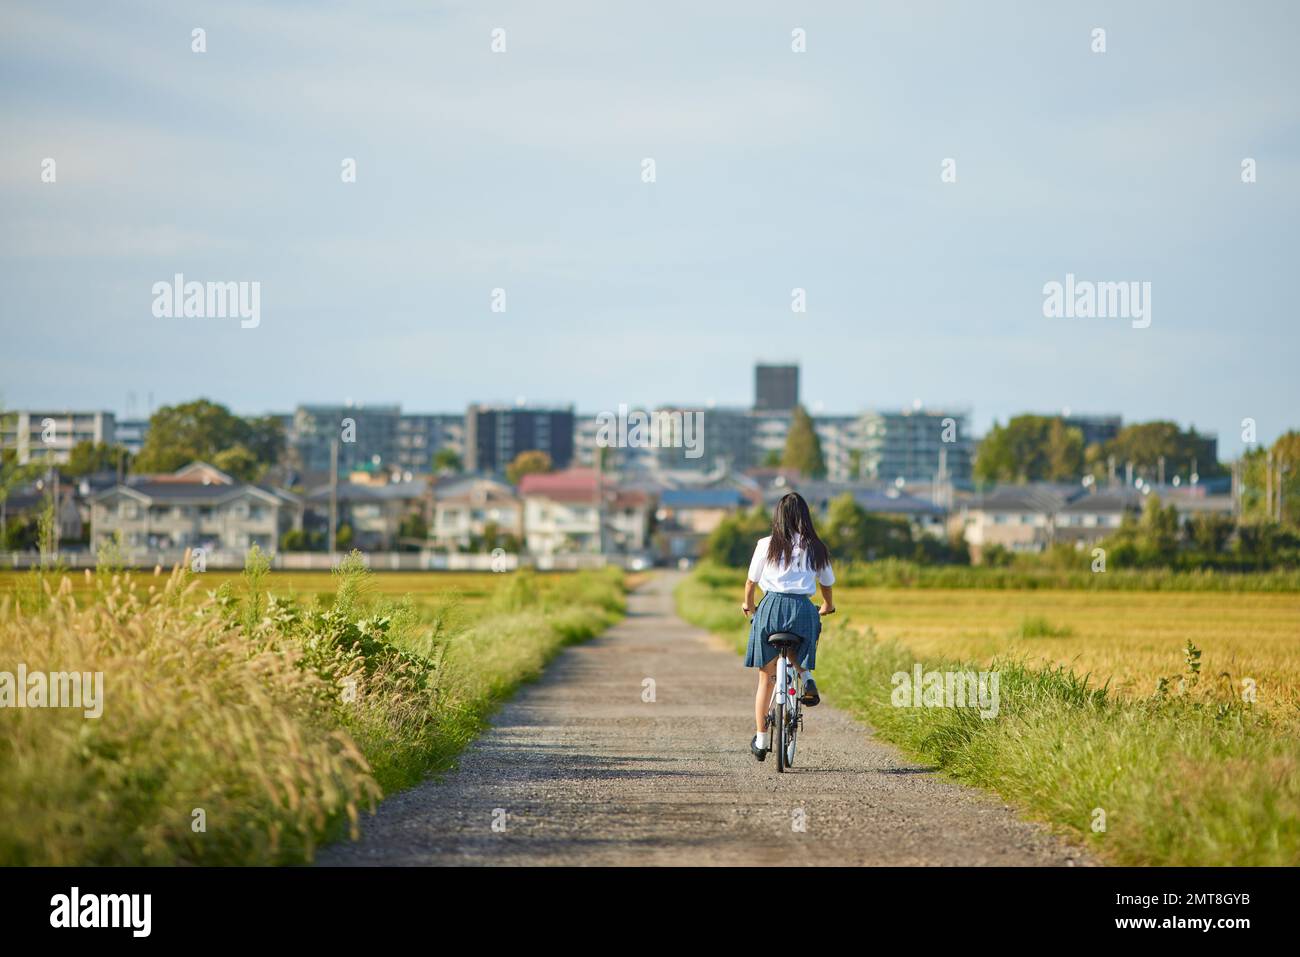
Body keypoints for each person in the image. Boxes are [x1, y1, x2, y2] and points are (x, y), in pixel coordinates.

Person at [740, 491, 835, 762]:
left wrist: (750, 605)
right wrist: (826, 605)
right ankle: (806, 678)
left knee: (765, 678)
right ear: (805, 516)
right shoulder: (816, 546)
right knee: (801, 641)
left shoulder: (765, 544)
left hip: (770, 609)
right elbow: (826, 583)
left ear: (778, 516)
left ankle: (760, 739)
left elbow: (751, 583)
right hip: (803, 609)